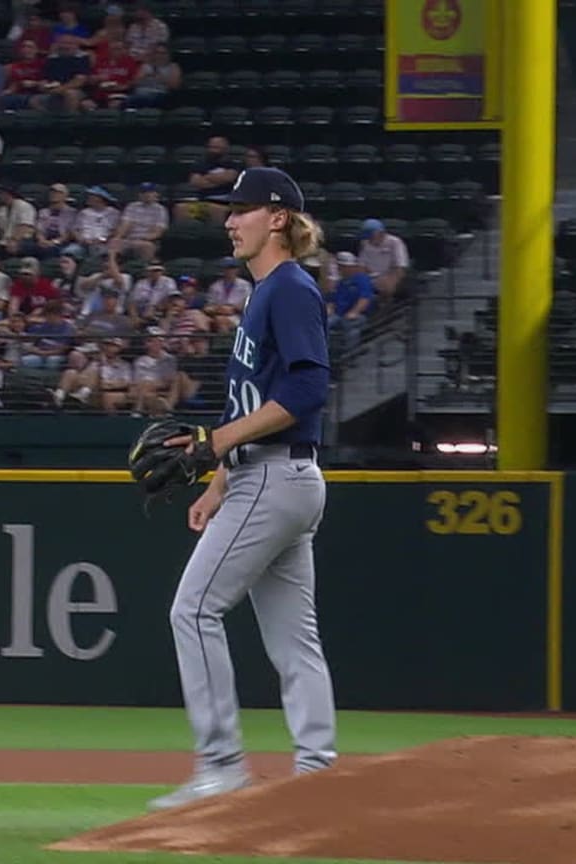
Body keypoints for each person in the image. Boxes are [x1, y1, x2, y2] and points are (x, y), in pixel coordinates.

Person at [149, 166, 335, 811]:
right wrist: (218, 480)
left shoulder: (288, 289)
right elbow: (249, 402)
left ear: (278, 218)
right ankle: (320, 774)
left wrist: (216, 447)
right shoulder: (263, 294)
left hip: (276, 473)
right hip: (274, 475)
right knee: (293, 639)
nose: (229, 220)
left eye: (243, 209)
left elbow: (309, 390)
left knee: (192, 611)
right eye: (230, 210)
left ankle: (222, 766)